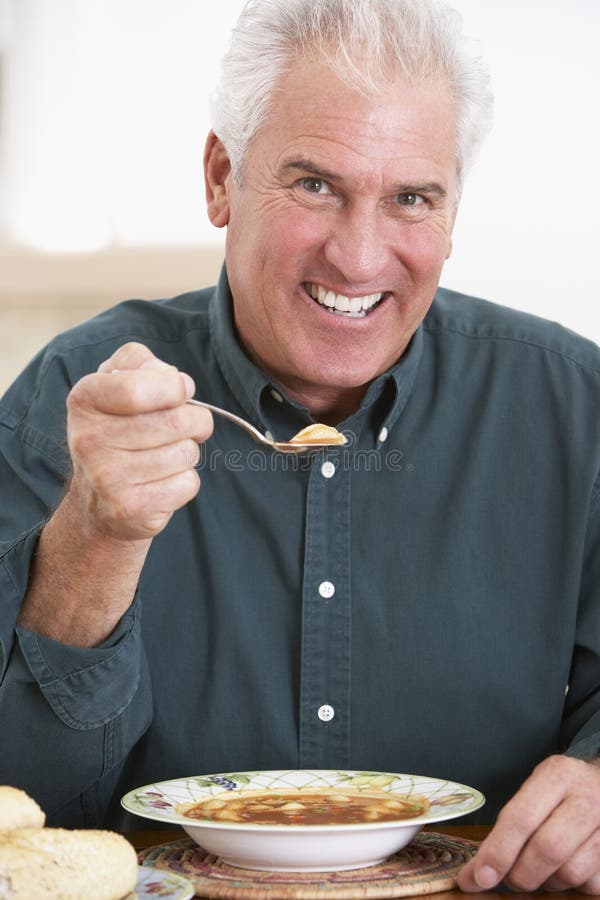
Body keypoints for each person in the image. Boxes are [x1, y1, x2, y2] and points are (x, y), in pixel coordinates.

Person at [1, 0, 599, 891]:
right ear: (221, 178)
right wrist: (97, 537)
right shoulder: (72, 398)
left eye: (410, 199)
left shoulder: (574, 405)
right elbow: (25, 809)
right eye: (315, 185)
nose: (359, 258)